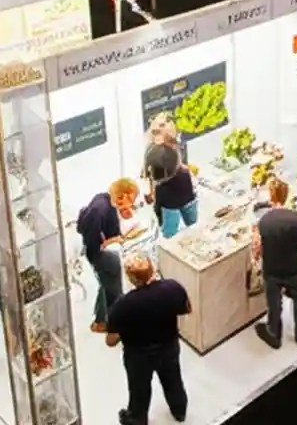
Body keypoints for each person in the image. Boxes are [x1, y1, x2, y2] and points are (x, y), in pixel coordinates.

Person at [106, 254, 190, 425]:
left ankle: (136, 419)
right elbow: (186, 309)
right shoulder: (172, 288)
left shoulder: (123, 305)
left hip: (138, 356)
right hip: (168, 346)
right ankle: (179, 410)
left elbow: (111, 340)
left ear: (132, 278)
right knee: (173, 379)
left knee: (139, 390)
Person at [254, 178, 297, 348]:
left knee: (274, 303)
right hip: (294, 267)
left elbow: (258, 248)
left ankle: (273, 332)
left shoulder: (264, 222)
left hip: (272, 269)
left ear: (271, 196)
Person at [79, 178, 134, 333]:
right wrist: (110, 241)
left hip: (100, 253)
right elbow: (93, 240)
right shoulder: (100, 209)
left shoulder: (104, 200)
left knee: (106, 285)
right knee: (114, 291)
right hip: (102, 255)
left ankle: (100, 321)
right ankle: (114, 327)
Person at [146, 142, 197, 238]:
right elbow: (191, 190)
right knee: (193, 224)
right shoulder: (185, 173)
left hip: (170, 208)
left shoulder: (160, 188)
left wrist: (159, 218)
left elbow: (158, 207)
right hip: (188, 200)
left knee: (170, 234)